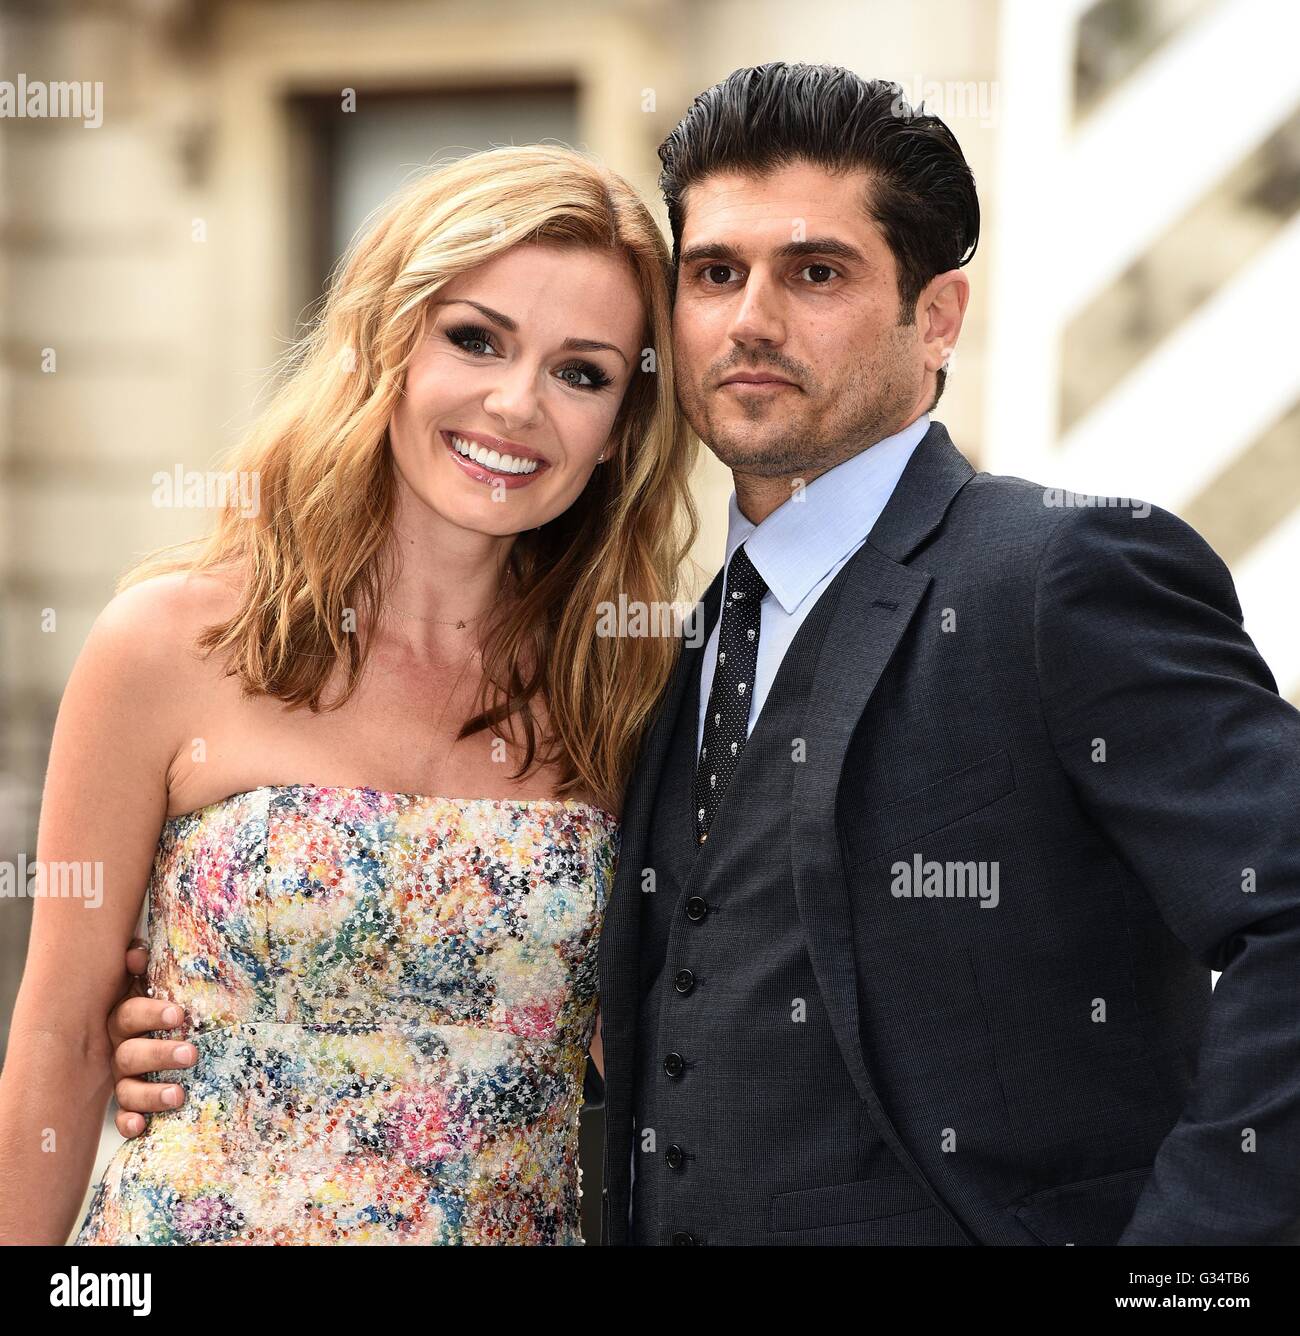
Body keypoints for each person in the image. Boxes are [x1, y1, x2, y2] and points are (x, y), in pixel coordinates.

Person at [107, 63, 1300, 1248]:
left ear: (935, 317)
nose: (750, 321)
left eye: (814, 273)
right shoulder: (642, 664)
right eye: (714, 272)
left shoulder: (1056, 572)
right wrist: (263, 1015)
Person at [0, 143, 697, 1245]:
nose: (517, 404)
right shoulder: (169, 643)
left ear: (621, 433)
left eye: (582, 372)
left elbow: (687, 1049)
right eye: (476, 338)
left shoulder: (637, 688)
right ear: (387, 344)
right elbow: (62, 1043)